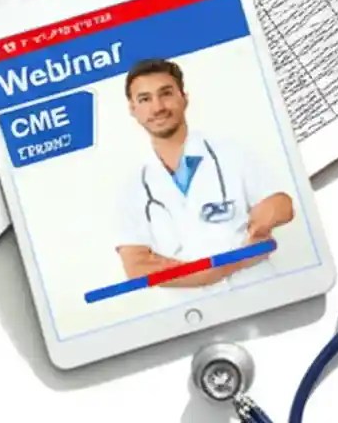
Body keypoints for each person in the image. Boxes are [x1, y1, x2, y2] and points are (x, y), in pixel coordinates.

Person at [114, 58, 295, 291]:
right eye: (145, 99)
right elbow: (137, 268)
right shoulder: (131, 187)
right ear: (132, 109)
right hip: (194, 315)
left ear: (184, 97)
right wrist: (233, 262)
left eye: (166, 93)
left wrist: (260, 226)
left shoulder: (231, 152)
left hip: (263, 293)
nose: (157, 107)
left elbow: (281, 203)